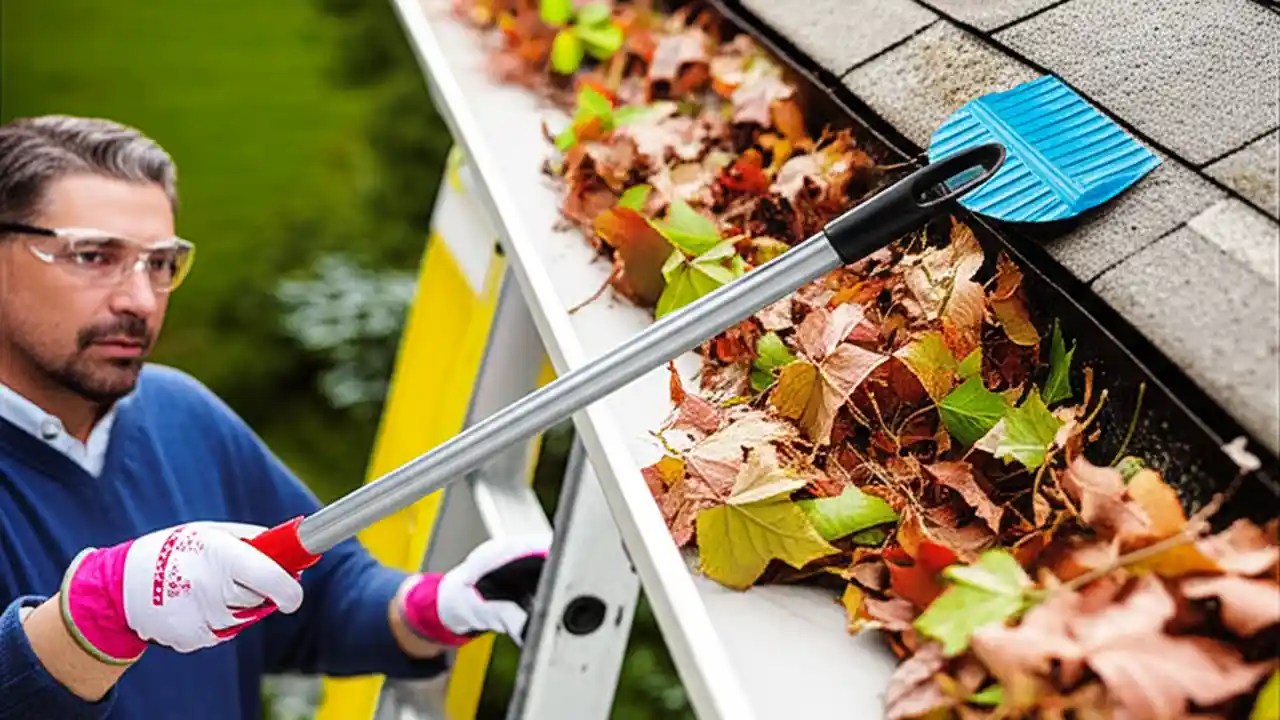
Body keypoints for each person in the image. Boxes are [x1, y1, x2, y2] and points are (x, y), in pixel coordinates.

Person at [0, 115, 551, 720]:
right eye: (94, 255)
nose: (138, 298)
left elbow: (315, 598)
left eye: (159, 264)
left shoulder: (180, 415)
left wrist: (433, 607)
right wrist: (97, 612)